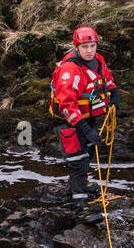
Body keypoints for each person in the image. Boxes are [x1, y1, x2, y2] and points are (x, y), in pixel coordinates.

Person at [49, 26, 120, 206]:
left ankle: (77, 188)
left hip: (88, 118)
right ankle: (80, 207)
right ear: (77, 47)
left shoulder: (98, 60)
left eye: (92, 46)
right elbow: (66, 106)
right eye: (85, 47)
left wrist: (114, 92)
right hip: (69, 124)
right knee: (78, 163)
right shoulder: (70, 70)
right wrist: (85, 129)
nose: (89, 51)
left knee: (86, 155)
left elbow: (107, 78)